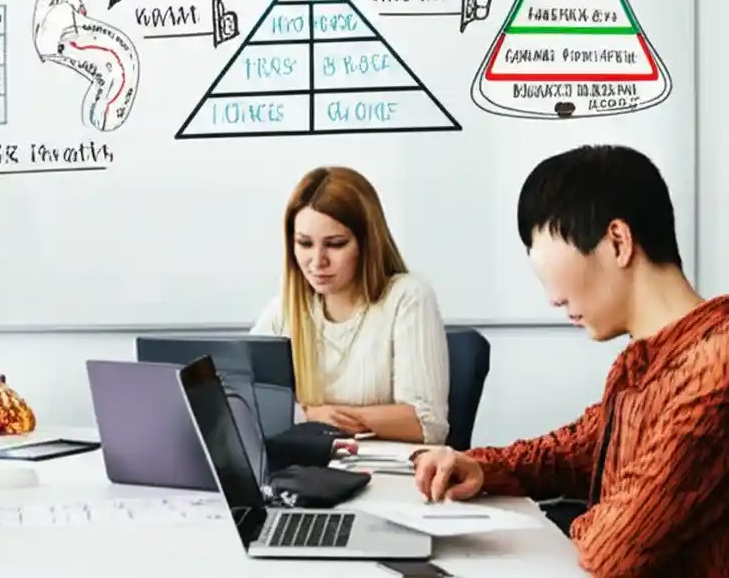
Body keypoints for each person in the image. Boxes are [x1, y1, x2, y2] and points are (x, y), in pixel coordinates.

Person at [412, 145, 728, 578]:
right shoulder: (641, 363)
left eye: (545, 260)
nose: (552, 298)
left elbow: (614, 551)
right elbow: (574, 451)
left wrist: (582, 524)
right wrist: (484, 467)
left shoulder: (716, 368)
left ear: (617, 242)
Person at [251, 166, 450, 445]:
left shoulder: (408, 297)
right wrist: (311, 415)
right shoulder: (284, 309)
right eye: (304, 244)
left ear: (366, 244)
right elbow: (247, 404)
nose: (317, 261)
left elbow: (426, 423)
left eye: (335, 244)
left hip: (389, 474)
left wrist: (311, 416)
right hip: (309, 470)